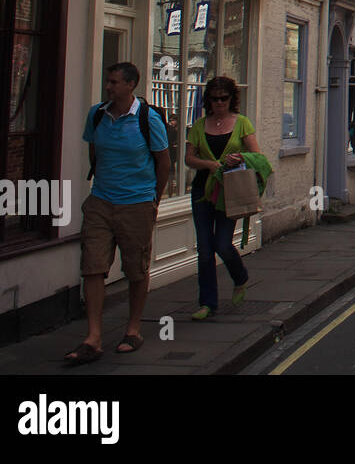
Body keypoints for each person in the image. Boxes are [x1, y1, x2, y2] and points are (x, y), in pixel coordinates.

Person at [64, 62, 170, 364]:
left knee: (136, 268)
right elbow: (94, 151)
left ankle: (133, 329)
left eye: (114, 82)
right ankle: (93, 337)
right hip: (100, 201)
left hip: (136, 202)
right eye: (107, 82)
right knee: (93, 266)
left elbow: (163, 164)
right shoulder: (97, 114)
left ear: (130, 85)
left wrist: (153, 201)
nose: (108, 87)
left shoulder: (147, 119)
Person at [183, 76, 254, 320]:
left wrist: (241, 158)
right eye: (214, 99)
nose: (219, 103)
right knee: (204, 249)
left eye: (224, 98)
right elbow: (188, 159)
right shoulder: (199, 126)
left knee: (222, 244)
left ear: (232, 99)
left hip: (229, 192)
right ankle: (207, 303)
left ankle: (240, 277)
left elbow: (257, 156)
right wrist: (209, 164)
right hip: (202, 192)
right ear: (208, 101)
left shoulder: (242, 123)